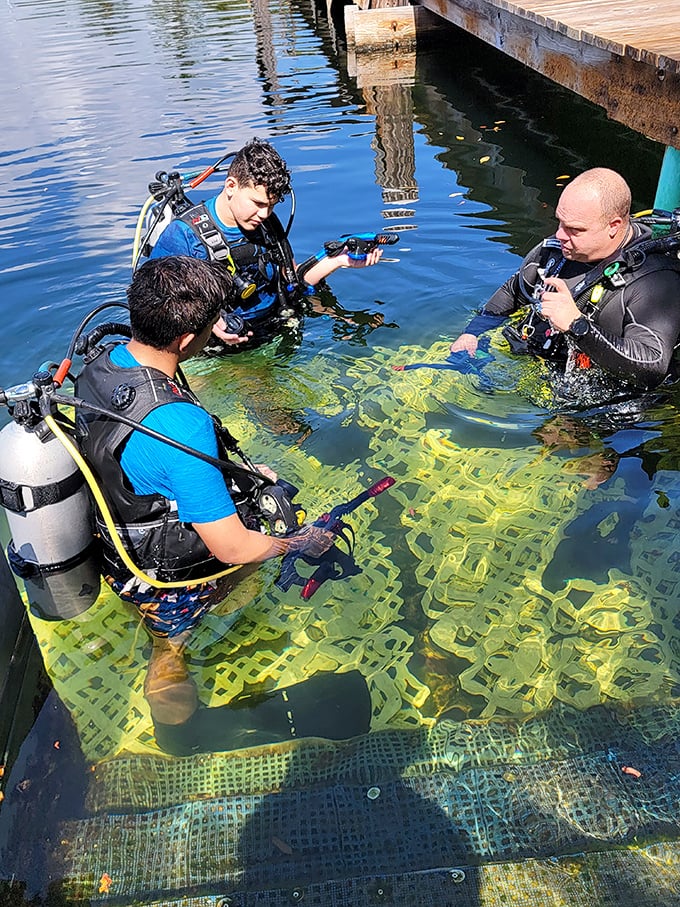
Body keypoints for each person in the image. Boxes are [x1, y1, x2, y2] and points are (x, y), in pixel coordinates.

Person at [74, 257, 354, 735]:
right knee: (264, 544)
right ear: (186, 339)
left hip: (112, 537)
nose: (217, 331)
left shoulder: (105, 362)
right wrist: (301, 543)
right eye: (212, 324)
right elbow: (232, 547)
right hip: (159, 579)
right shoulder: (182, 424)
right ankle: (171, 658)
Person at [449, 168, 680, 404]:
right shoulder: (556, 252)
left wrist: (576, 325)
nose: (559, 234)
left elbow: (652, 365)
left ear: (614, 226)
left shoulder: (655, 280)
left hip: (615, 403)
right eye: (560, 222)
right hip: (540, 371)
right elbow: (513, 291)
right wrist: (473, 332)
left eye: (575, 229)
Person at [147, 137, 383, 350]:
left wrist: (340, 261)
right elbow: (154, 310)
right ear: (231, 186)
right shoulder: (182, 236)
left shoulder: (267, 224)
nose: (264, 213)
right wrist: (210, 322)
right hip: (217, 353)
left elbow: (293, 281)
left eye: (271, 206)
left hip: (275, 331)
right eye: (258, 203)